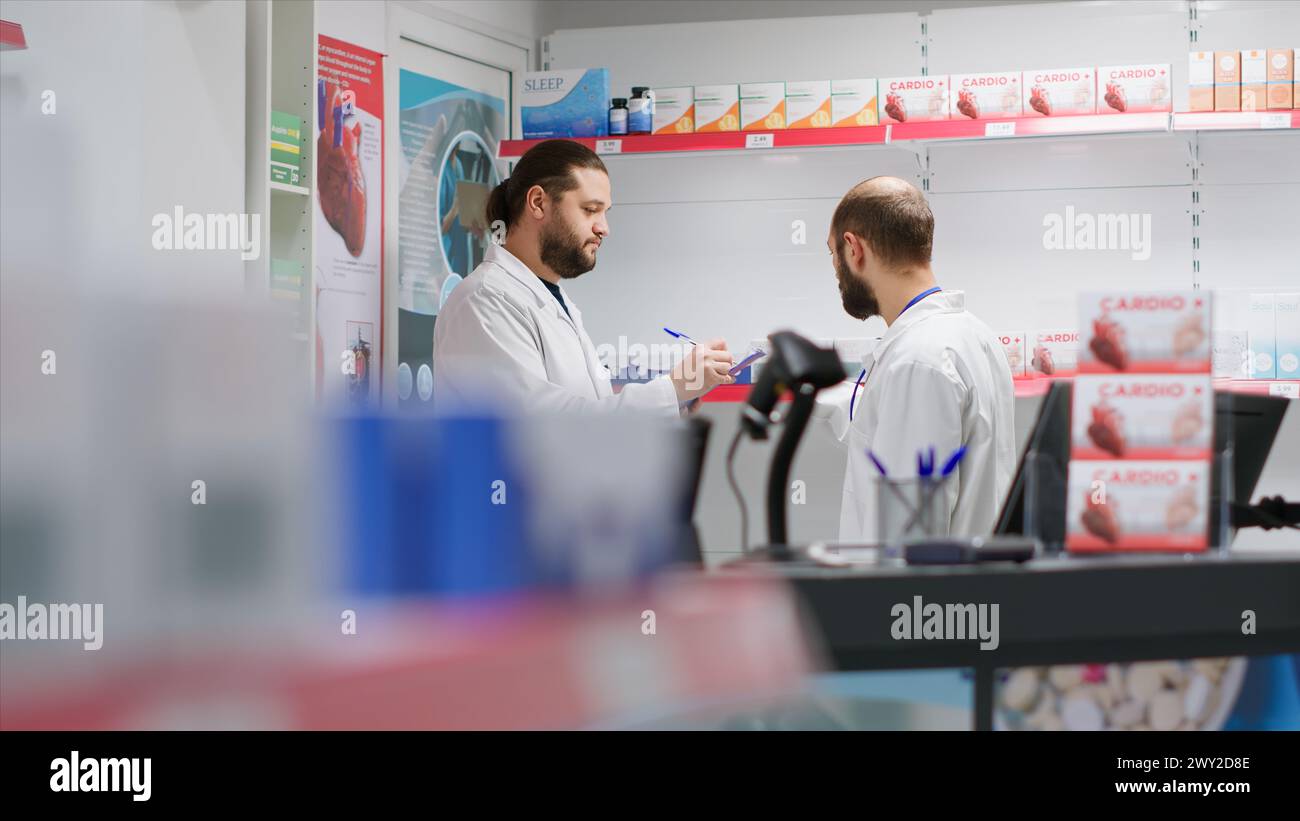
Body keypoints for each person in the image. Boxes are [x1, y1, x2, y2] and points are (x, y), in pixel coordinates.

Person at [433, 139, 733, 414]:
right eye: (590, 210)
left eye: (605, 213)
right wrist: (672, 390)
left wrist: (678, 399)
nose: (604, 228)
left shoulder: (550, 297)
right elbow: (546, 427)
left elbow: (588, 408)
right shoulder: (484, 302)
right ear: (538, 202)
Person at [817, 176, 1015, 541]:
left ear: (853, 248)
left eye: (832, 253)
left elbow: (907, 540)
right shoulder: (973, 335)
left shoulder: (916, 360)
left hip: (916, 599)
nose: (834, 269)